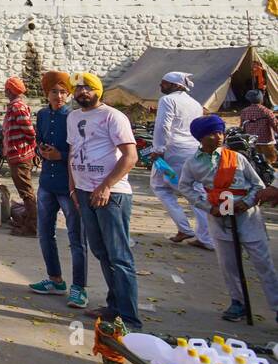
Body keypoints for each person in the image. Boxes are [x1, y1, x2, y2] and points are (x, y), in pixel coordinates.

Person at [179, 115, 278, 323]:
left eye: (221, 132)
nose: (219, 136)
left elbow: (258, 185)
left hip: (248, 218)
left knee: (264, 265)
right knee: (229, 265)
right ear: (201, 138)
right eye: (213, 133)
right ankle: (237, 303)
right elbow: (185, 187)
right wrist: (208, 207)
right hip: (220, 219)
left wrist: (248, 202)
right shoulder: (192, 163)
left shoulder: (237, 158)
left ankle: (276, 307)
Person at [67, 72, 141, 329]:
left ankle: (129, 317)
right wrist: (74, 188)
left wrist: (106, 186)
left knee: (119, 256)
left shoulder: (113, 116)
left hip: (112, 194)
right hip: (85, 192)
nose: (82, 92)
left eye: (87, 87)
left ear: (97, 91)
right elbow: (73, 152)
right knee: (101, 251)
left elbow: (130, 157)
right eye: (77, 88)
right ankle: (114, 306)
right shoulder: (73, 117)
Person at [28, 72, 88, 308]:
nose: (59, 96)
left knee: (76, 237)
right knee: (45, 233)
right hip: (47, 182)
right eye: (55, 91)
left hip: (69, 183)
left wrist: (60, 155)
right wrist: (42, 150)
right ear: (47, 94)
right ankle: (55, 279)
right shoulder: (42, 115)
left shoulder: (74, 117)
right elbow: (39, 139)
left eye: (64, 92)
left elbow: (81, 149)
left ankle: (79, 287)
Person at [148, 71, 212, 250]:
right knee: (194, 191)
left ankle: (188, 230)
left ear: (176, 85)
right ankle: (204, 235)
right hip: (192, 151)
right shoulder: (195, 103)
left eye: (164, 83)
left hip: (171, 152)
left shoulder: (168, 100)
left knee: (162, 187)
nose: (161, 86)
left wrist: (158, 149)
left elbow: (163, 126)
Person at [2, 77, 38, 237]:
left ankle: (32, 225)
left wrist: (27, 149)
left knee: (26, 192)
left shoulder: (18, 107)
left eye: (6, 89)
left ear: (10, 91)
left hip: (20, 156)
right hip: (16, 154)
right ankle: (27, 219)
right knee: (24, 190)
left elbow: (30, 132)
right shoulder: (14, 107)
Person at [240, 89, 278, 164]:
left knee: (256, 162)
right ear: (261, 99)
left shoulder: (244, 111)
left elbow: (242, 126)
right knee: (269, 161)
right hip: (266, 141)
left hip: (251, 141)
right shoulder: (267, 111)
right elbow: (275, 125)